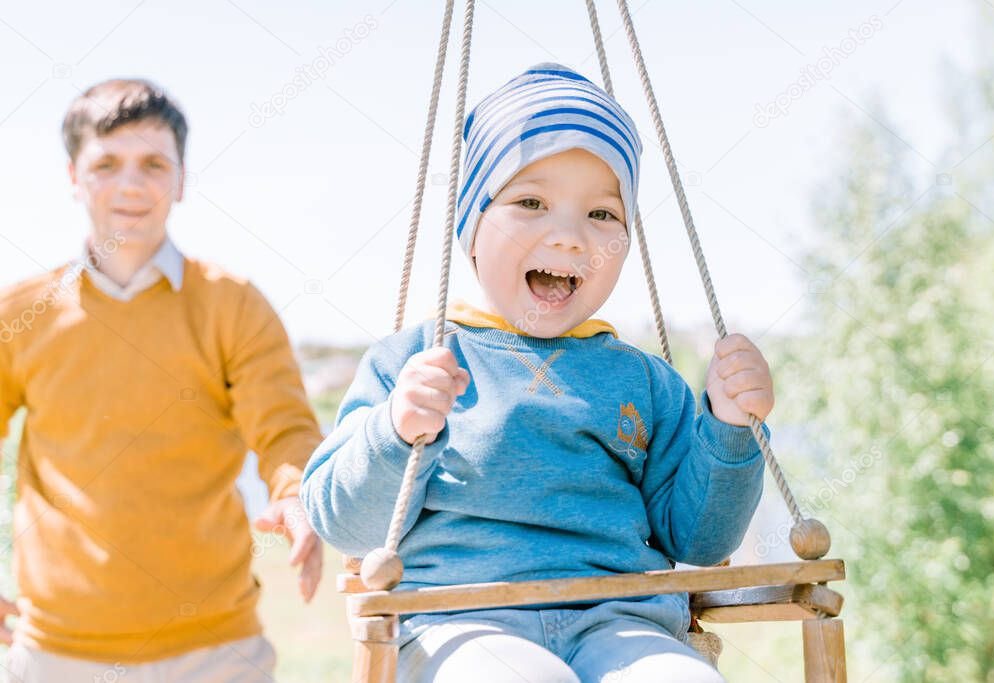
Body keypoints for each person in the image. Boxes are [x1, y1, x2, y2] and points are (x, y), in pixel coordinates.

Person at [301, 63, 774, 683]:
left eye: (602, 215)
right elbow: (347, 526)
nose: (571, 237)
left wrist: (731, 426)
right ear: (472, 224)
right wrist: (392, 433)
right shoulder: (418, 361)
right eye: (530, 203)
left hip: (621, 621)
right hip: (460, 622)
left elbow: (699, 541)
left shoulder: (646, 381)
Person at [0, 78, 324, 682]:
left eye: (154, 163)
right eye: (106, 164)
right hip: (55, 654)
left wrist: (295, 496)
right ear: (74, 176)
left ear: (181, 179)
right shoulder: (21, 314)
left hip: (217, 651)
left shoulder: (234, 305)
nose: (131, 184)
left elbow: (284, 432)